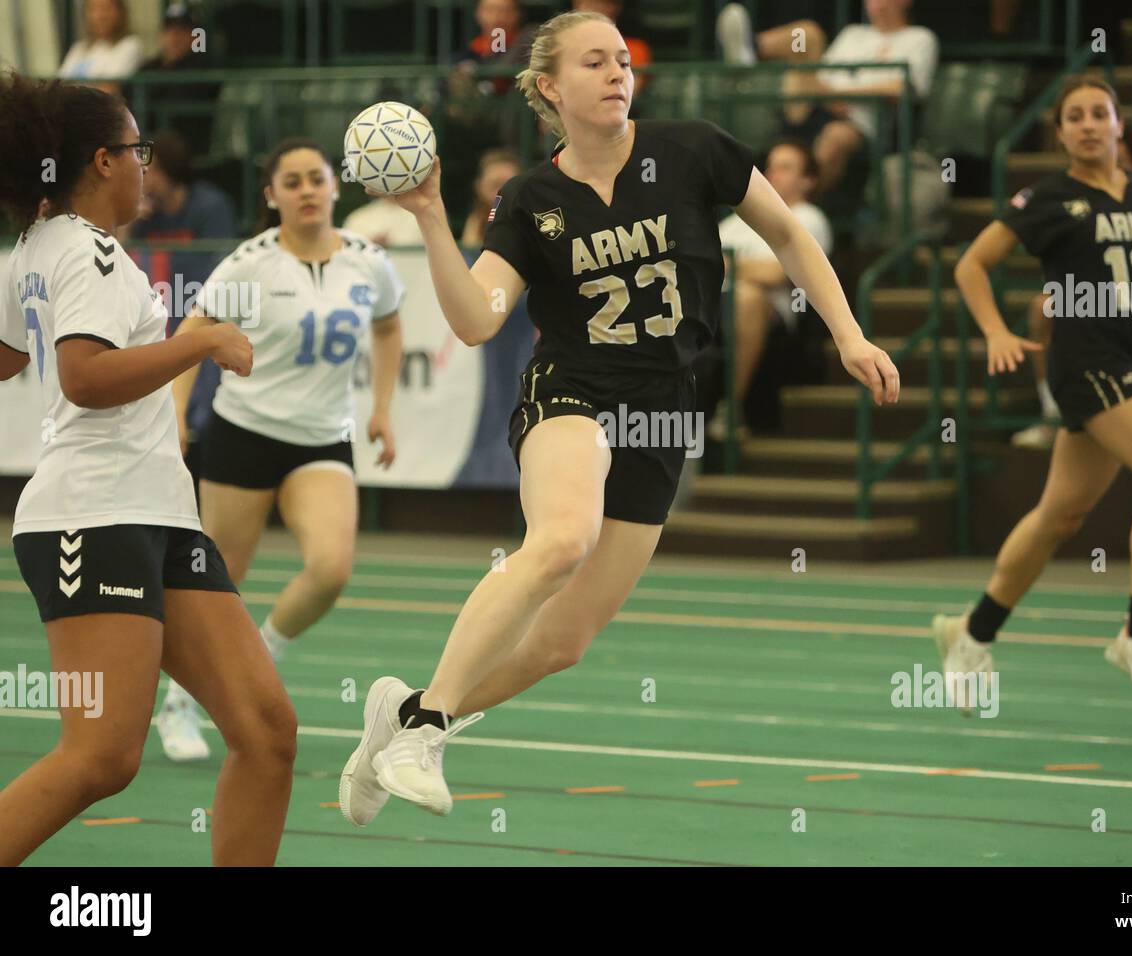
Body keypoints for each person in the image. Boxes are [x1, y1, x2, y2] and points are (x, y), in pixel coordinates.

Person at [335, 10, 900, 825]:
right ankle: (424, 732)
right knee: (563, 539)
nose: (615, 73)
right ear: (548, 88)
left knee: (563, 644)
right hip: (572, 389)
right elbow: (477, 319)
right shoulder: (531, 200)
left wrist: (849, 333)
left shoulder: (694, 150)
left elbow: (786, 234)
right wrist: (429, 215)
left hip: (664, 409)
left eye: (622, 60)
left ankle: (404, 712)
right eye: (593, 63)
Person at [0, 71, 294, 865]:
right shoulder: (86, 253)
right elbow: (85, 381)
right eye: (137, 150)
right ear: (102, 161)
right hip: (92, 518)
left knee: (266, 733)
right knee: (101, 758)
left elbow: (5, 358)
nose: (145, 164)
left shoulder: (38, 244)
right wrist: (199, 340)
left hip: (159, 515)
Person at [940, 76, 1132, 704]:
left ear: (1118, 124)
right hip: (1086, 362)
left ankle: (972, 633)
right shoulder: (1049, 200)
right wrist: (997, 331)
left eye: (1098, 113)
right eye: (1073, 116)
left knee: (1060, 515)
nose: (1087, 124)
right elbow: (971, 264)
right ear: (1059, 133)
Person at [155, 138, 407, 762]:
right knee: (221, 579)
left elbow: (388, 324)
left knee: (331, 569)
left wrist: (380, 408)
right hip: (245, 433)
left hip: (323, 438)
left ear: (335, 186)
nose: (306, 191)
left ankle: (261, 654)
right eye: (290, 182)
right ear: (272, 196)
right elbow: (194, 334)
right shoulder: (252, 265)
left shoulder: (368, 263)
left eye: (316, 179)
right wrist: (176, 414)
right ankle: (178, 704)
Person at [716, 0, 938, 196]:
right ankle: (748, 52)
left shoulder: (920, 38)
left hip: (860, 124)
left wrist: (841, 95)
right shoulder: (853, 33)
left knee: (836, 136)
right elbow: (820, 76)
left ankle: (801, 202)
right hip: (815, 105)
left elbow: (902, 88)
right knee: (807, 35)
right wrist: (826, 95)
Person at [1012, 125, 1132, 450]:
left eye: (1124, 163)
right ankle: (1052, 413)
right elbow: (975, 261)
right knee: (1044, 306)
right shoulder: (1069, 198)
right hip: (1089, 298)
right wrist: (994, 330)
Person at [129, 130, 239, 483]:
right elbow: (117, 257)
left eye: (152, 170)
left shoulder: (210, 206)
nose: (145, 177)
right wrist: (128, 220)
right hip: (159, 320)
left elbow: (218, 272)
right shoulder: (144, 214)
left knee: (201, 409)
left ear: (172, 170)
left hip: (200, 317)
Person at [713, 138, 832, 439]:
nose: (772, 173)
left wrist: (726, 265)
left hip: (773, 313)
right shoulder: (739, 217)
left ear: (808, 181)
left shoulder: (808, 217)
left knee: (748, 297)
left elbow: (778, 273)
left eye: (785, 167)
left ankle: (730, 408)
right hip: (711, 301)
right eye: (771, 166)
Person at [133, 3, 221, 157]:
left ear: (195, 37)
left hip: (183, 153)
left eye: (182, 31)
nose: (174, 37)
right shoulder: (149, 67)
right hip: (143, 147)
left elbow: (179, 109)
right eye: (169, 30)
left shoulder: (201, 67)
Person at [57, 0, 143, 96]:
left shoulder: (130, 44)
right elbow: (59, 84)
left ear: (121, 12)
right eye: (93, 9)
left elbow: (108, 89)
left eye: (106, 9)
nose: (100, 16)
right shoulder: (79, 48)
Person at [458, 149, 523, 248]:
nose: (502, 192)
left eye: (509, 185)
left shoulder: (531, 221)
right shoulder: (476, 221)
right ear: (479, 188)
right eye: (495, 185)